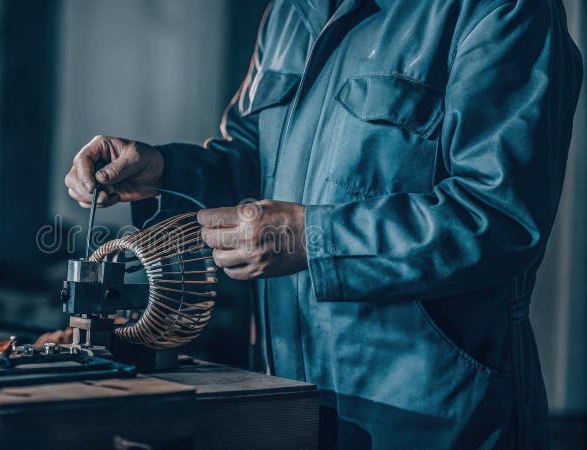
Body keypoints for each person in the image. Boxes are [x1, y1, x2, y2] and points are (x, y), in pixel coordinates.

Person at [59, 1, 583, 448]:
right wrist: (162, 171)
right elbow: (252, 164)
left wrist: (311, 238)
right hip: (285, 401)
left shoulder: (499, 10)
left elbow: (500, 217)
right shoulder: (291, 12)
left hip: (433, 419)